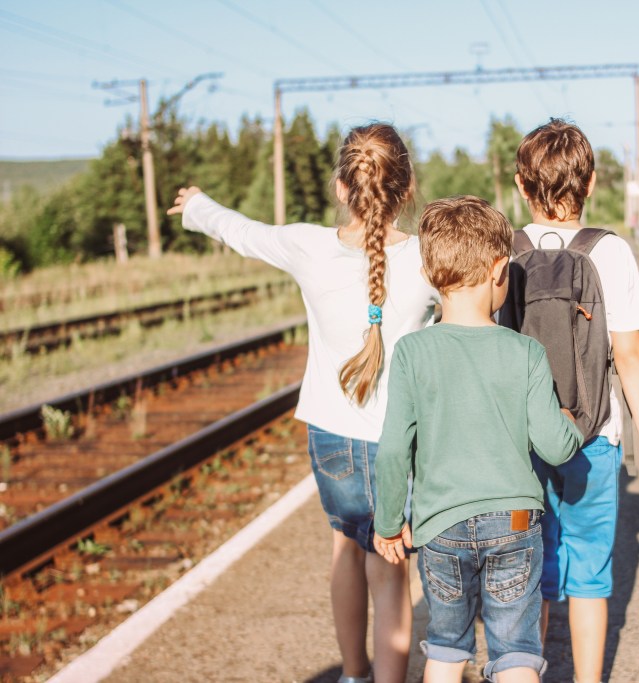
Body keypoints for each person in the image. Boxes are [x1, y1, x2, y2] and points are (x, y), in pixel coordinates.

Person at [167, 123, 437, 683]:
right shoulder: (429, 257)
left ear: (342, 188)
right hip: (401, 440)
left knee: (345, 547)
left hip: (332, 436)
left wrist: (196, 205)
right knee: (389, 568)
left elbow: (241, 231)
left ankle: (354, 674)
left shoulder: (308, 245)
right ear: (407, 189)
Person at [372, 196, 583, 683]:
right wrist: (569, 420)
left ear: (429, 273)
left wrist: (387, 523)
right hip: (514, 521)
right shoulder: (525, 351)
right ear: (498, 271)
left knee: (446, 649)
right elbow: (554, 446)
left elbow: (392, 451)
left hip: (440, 527)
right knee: (514, 652)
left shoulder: (411, 352)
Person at [511, 118, 639, 683]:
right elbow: (628, 353)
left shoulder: (506, 253)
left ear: (521, 185)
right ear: (592, 182)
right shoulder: (611, 253)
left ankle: (523, 672)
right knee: (590, 574)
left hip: (519, 446)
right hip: (595, 440)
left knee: (530, 571)